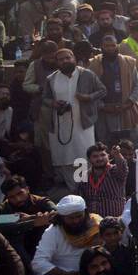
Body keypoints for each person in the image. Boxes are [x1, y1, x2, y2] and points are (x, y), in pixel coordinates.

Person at [42, 48, 104, 185]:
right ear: (56, 62)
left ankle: (84, 186)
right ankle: (74, 188)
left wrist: (88, 97)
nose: (65, 61)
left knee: (82, 154)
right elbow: (45, 98)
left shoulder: (87, 74)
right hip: (60, 124)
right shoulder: (51, 79)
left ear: (74, 58)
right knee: (64, 156)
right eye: (61, 59)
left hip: (82, 123)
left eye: (68, 58)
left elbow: (102, 91)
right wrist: (54, 103)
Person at [31, 194, 102, 275]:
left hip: (95, 271)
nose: (76, 221)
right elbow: (38, 262)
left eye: (79, 216)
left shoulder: (96, 225)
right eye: (70, 218)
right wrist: (66, 274)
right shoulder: (53, 231)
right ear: (62, 218)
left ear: (85, 213)